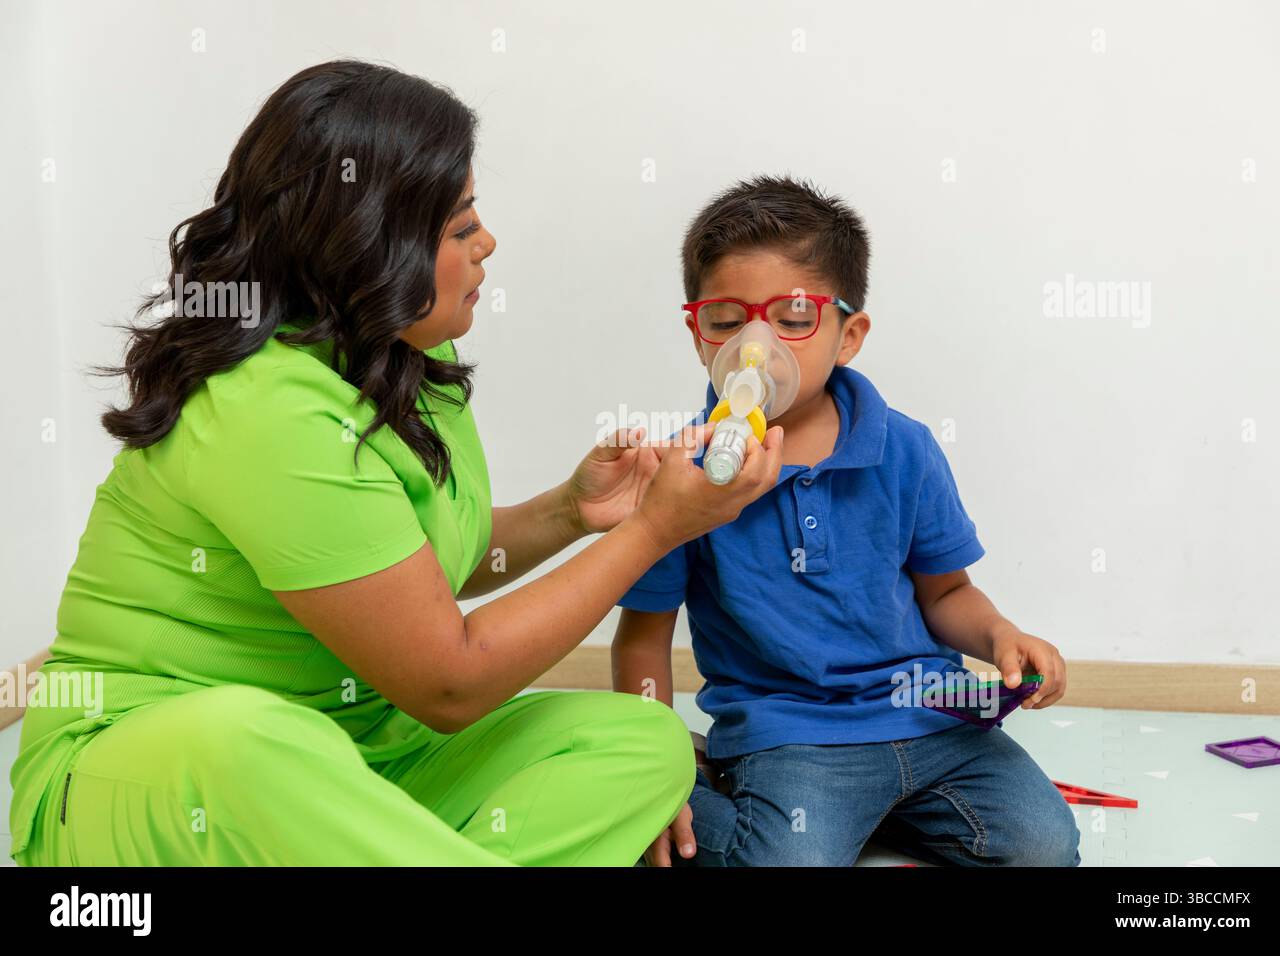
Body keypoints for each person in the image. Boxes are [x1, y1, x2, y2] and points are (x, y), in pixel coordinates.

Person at [7, 61, 782, 867]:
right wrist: (657, 531)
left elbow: (414, 576)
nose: (488, 243)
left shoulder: (409, 363)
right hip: (166, 767)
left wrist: (572, 512)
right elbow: (450, 683)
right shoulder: (264, 408)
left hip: (358, 758)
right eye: (458, 228)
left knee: (643, 741)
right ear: (366, 243)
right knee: (250, 744)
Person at [613, 175, 1080, 867]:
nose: (754, 347)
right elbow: (643, 638)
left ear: (849, 334)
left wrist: (1003, 637)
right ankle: (699, 788)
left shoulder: (904, 447)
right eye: (727, 318)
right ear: (697, 333)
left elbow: (946, 593)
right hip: (790, 735)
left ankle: (863, 822)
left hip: (936, 715)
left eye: (794, 316)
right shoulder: (685, 475)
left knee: (1043, 849)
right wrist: (648, 781)